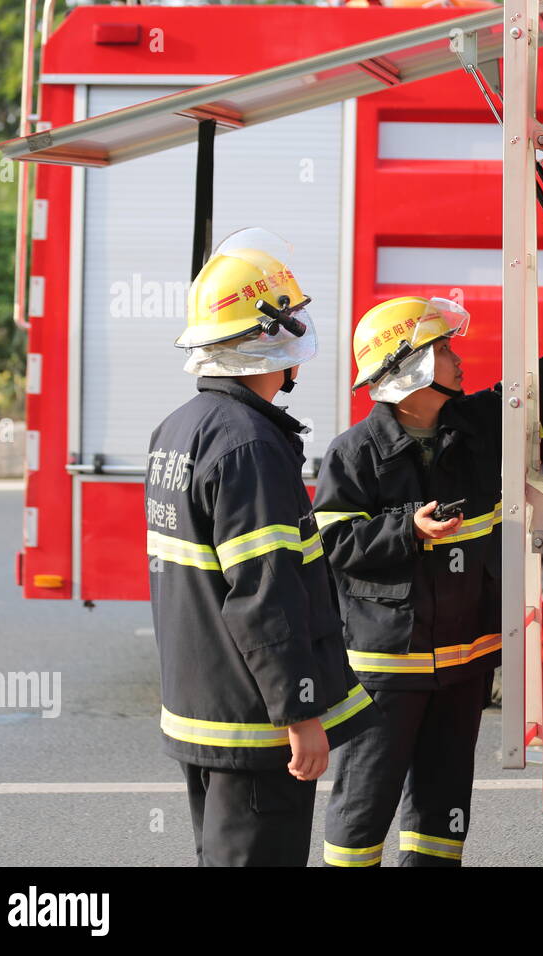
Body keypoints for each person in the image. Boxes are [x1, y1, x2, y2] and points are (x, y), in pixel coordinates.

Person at [145, 228, 380, 866]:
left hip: (202, 706)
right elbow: (264, 595)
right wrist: (300, 711)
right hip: (253, 720)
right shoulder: (249, 445)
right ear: (272, 339)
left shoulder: (179, 429)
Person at [316, 295, 506, 867]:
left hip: (465, 661)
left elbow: (539, 382)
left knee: (444, 808)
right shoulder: (353, 455)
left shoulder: (476, 427)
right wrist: (407, 530)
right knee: (363, 804)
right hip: (386, 669)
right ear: (412, 369)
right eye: (443, 349)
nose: (458, 360)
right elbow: (335, 544)